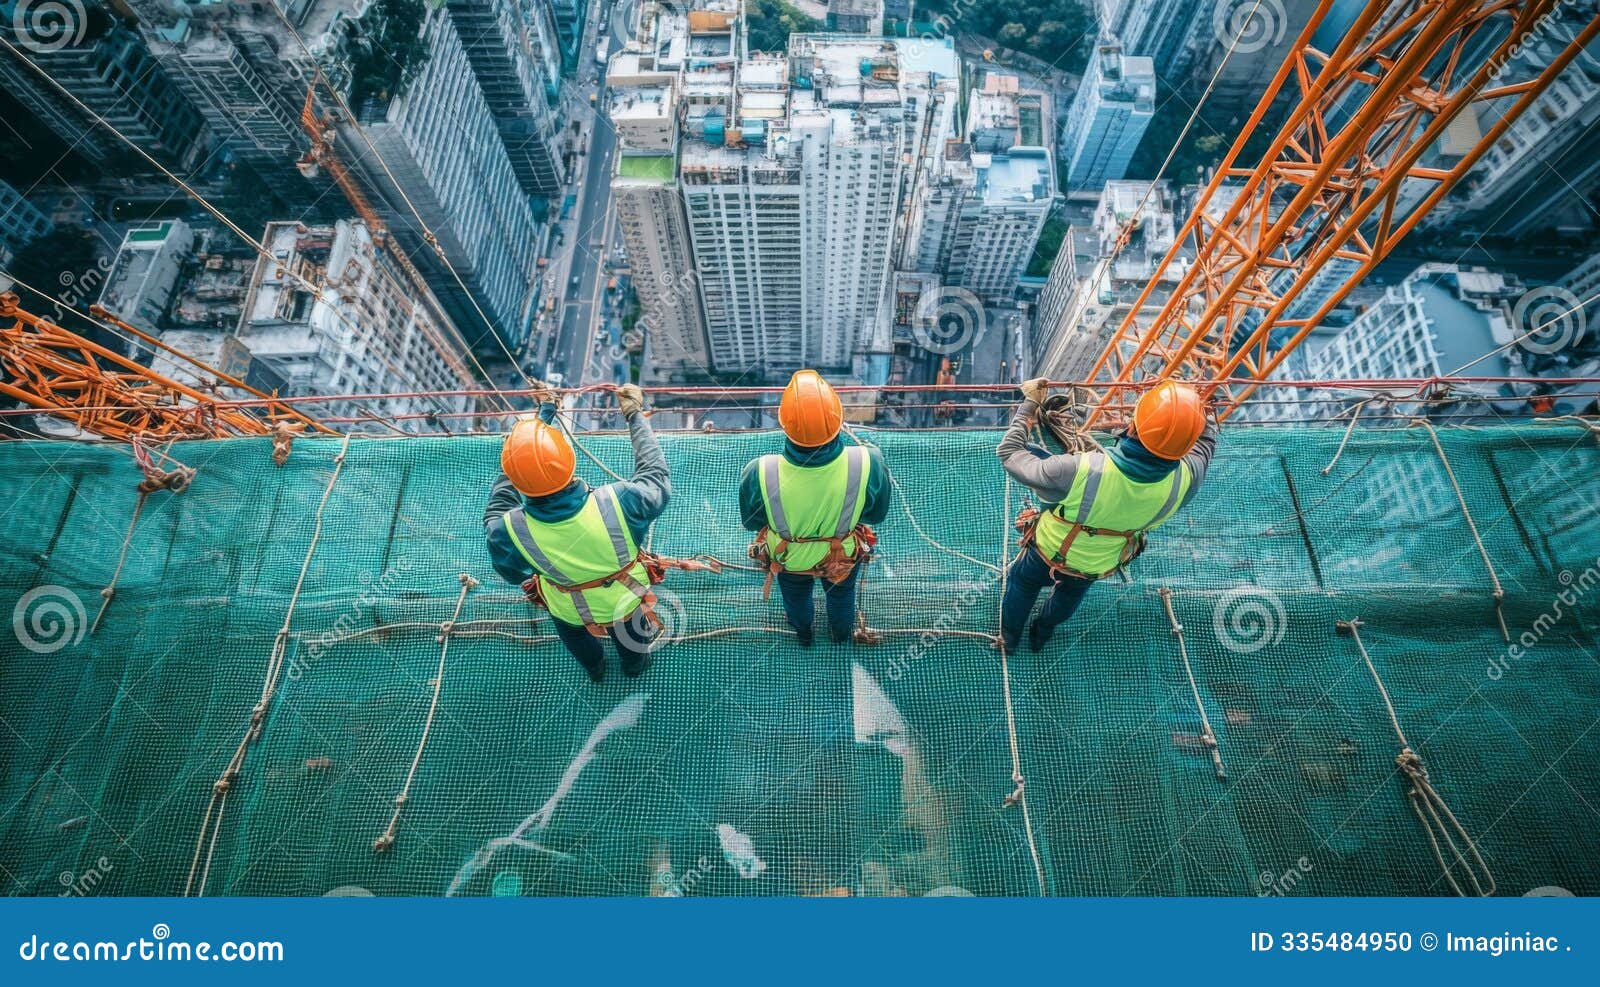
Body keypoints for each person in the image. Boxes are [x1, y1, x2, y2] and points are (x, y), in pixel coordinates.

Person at [997, 378, 1218, 652]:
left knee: (1023, 583)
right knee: (1069, 595)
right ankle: (1042, 632)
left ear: (1133, 425)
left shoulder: (1077, 469)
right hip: (1097, 563)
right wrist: (1197, 413)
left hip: (1048, 550)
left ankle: (1009, 638)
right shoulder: (1185, 482)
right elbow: (1205, 447)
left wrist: (1030, 403)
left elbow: (1009, 453)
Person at [484, 385, 671, 682]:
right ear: (568, 462)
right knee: (633, 645)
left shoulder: (508, 530)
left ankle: (595, 669)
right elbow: (654, 475)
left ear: (516, 483)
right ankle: (634, 668)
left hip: (566, 605)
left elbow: (509, 563)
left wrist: (543, 418)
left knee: (576, 639)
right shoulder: (619, 501)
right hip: (624, 598)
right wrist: (635, 415)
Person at [740, 370, 893, 646]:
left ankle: (804, 633)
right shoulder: (867, 461)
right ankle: (840, 634)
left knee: (796, 598)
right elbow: (876, 514)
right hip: (840, 554)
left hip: (788, 557)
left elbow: (752, 522)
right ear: (838, 419)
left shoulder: (761, 471)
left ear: (785, 424)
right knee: (841, 596)